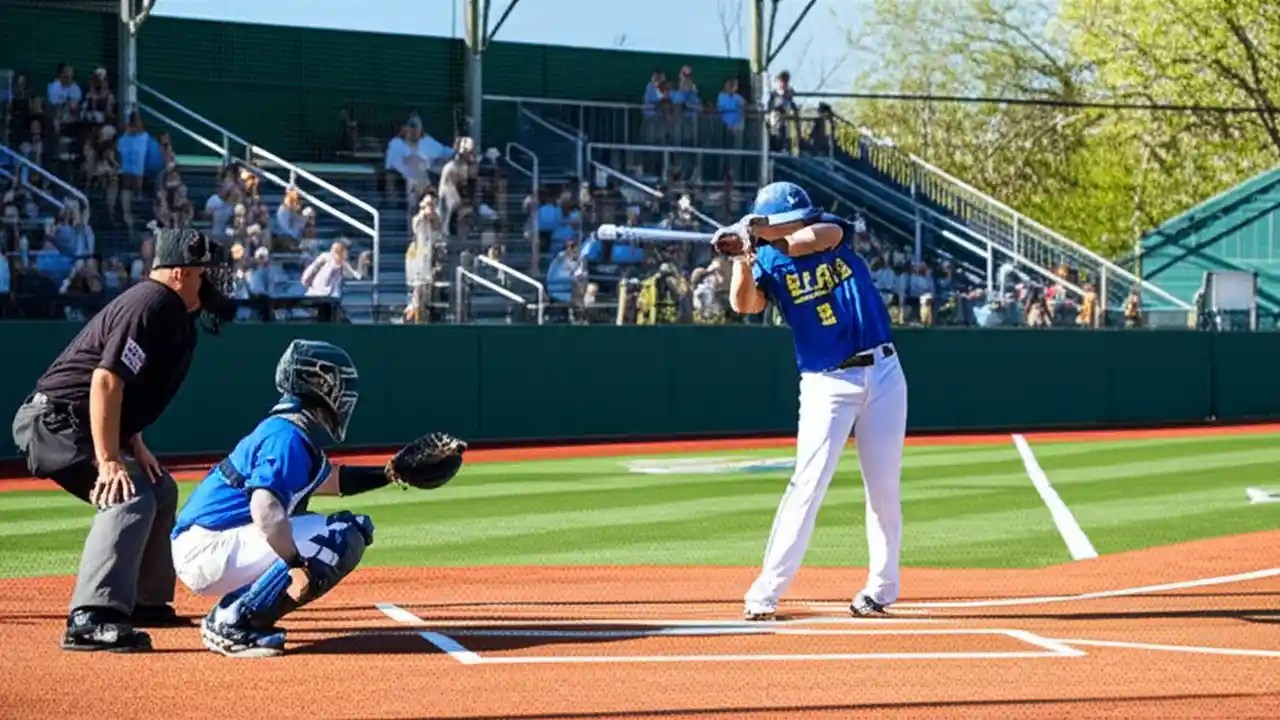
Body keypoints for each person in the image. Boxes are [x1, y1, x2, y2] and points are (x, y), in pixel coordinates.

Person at [10, 228, 235, 652]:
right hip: (54, 422)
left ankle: (144, 602)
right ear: (182, 273)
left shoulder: (174, 313)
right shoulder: (151, 303)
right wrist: (110, 458)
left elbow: (129, 388)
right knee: (128, 495)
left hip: (76, 419)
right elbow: (106, 380)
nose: (217, 280)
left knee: (161, 488)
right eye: (208, 271)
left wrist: (135, 441)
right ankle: (92, 616)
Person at [170, 340, 467, 657]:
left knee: (334, 528)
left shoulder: (288, 430)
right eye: (338, 383)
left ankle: (238, 611)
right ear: (316, 384)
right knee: (343, 535)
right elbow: (264, 509)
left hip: (211, 546)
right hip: (209, 549)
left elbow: (333, 480)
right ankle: (233, 623)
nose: (345, 394)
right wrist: (295, 565)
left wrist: (391, 472)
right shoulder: (286, 437)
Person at [713, 181, 908, 621]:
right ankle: (765, 592)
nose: (806, 220)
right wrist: (743, 257)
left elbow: (808, 241)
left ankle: (881, 588)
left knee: (883, 488)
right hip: (826, 382)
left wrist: (758, 236)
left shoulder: (827, 230)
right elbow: (744, 305)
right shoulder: (763, 257)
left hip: (884, 372)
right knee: (807, 485)